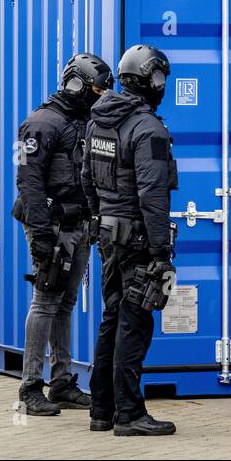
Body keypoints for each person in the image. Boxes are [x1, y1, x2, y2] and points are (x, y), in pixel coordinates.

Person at [82, 44, 179, 437]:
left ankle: (101, 409)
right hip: (137, 238)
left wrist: (98, 217)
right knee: (134, 324)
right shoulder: (147, 128)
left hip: (108, 233)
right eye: (161, 79)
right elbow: (152, 196)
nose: (163, 86)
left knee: (112, 317)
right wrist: (161, 253)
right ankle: (129, 414)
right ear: (152, 80)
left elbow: (87, 178)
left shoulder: (98, 121)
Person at [14, 53, 113, 417]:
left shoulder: (84, 121)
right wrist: (41, 234)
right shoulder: (41, 123)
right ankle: (29, 387)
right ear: (76, 85)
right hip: (50, 225)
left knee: (66, 303)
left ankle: (61, 381)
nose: (100, 96)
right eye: (96, 89)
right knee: (45, 301)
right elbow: (28, 181)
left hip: (78, 224)